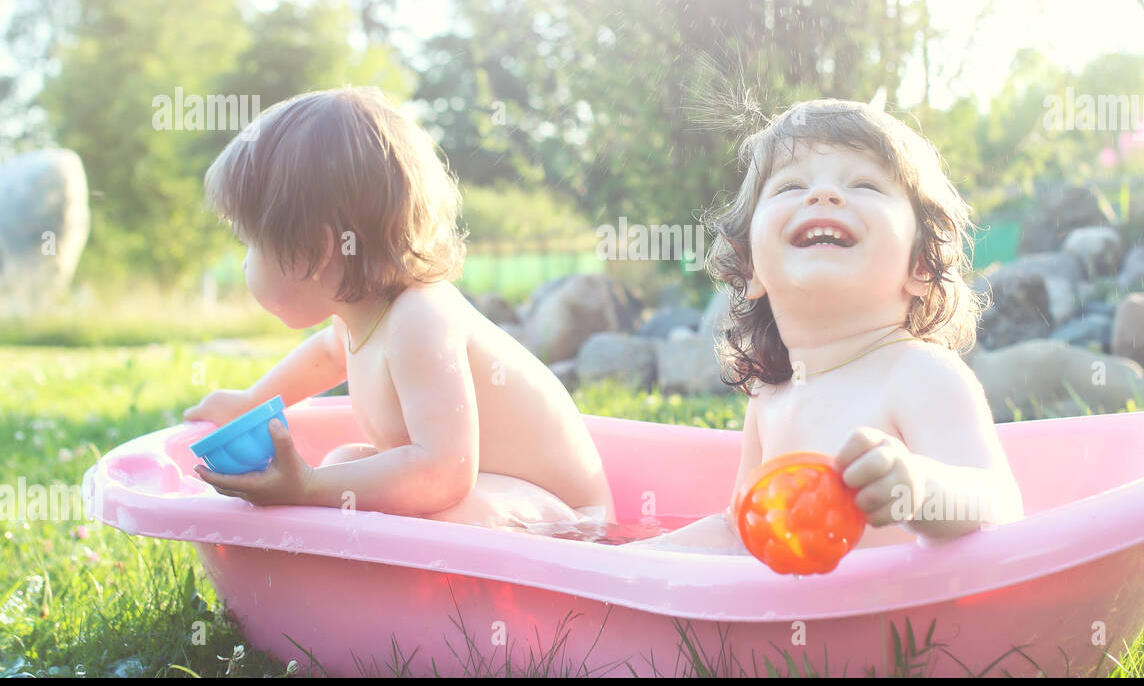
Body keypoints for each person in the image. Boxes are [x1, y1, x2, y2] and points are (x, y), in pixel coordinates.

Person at [183, 87, 616, 531]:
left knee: (444, 511)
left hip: (571, 521)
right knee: (345, 463)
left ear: (312, 249)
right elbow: (328, 355)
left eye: (248, 243)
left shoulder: (419, 319)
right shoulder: (360, 319)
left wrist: (308, 486)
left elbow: (444, 474)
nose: (242, 261)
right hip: (503, 493)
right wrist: (249, 403)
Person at [626, 99, 1024, 555]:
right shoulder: (770, 396)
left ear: (921, 262)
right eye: (792, 185)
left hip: (900, 621)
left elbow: (999, 503)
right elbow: (740, 532)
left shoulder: (921, 374)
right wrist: (622, 565)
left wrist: (918, 488)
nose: (824, 195)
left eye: (865, 185)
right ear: (750, 264)